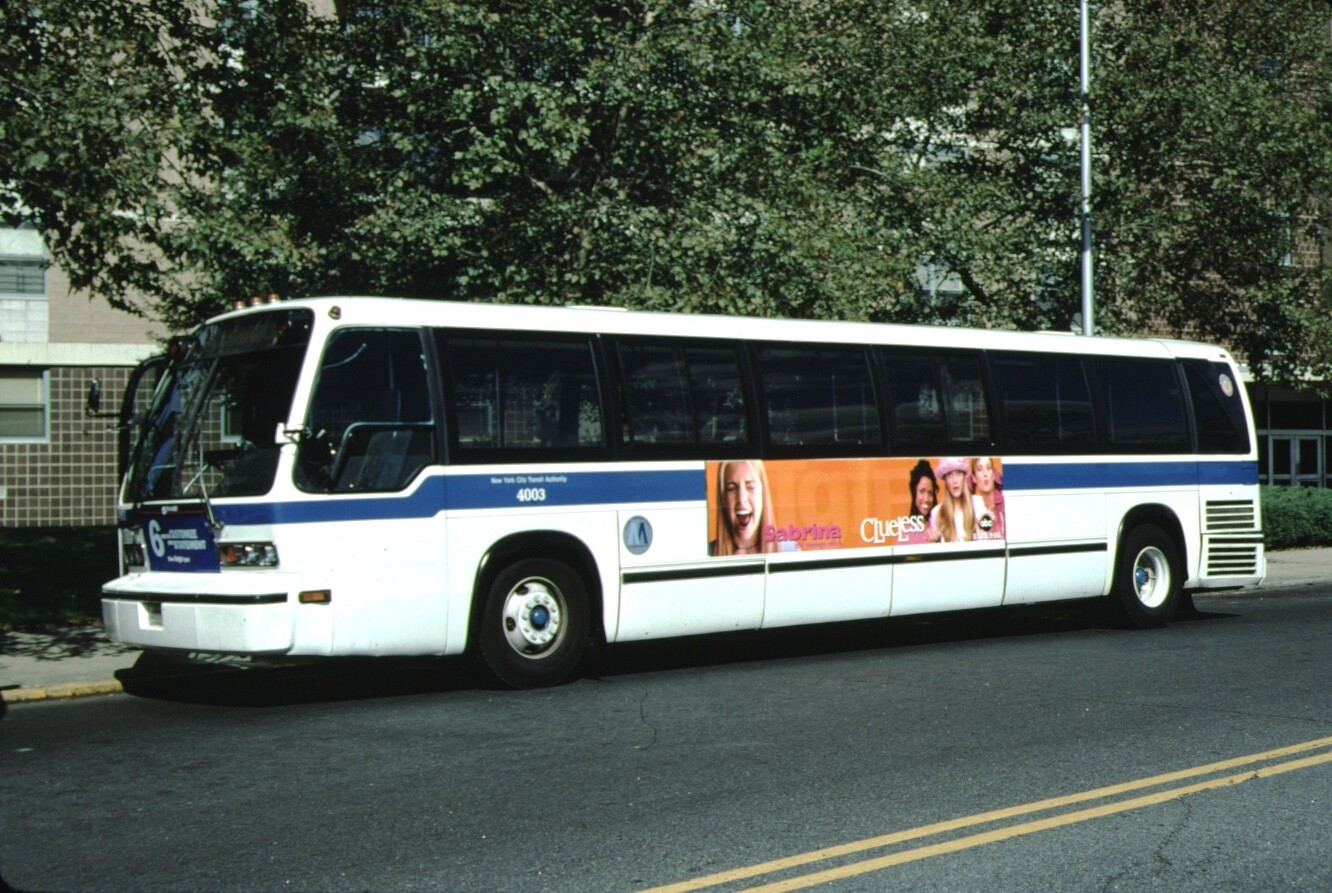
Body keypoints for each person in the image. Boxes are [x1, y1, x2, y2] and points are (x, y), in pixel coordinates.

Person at [711, 459, 788, 555]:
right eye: (732, 488)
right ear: (723, 499)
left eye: (750, 486)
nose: (741, 498)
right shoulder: (706, 552)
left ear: (762, 493)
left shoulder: (789, 550)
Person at [928, 457, 987, 543]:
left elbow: (987, 545)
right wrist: (935, 542)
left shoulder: (977, 504)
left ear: (964, 477)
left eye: (958, 474)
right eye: (950, 475)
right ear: (945, 480)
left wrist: (983, 528)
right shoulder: (937, 512)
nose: (955, 480)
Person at [970, 456, 1006, 540]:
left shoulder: (1005, 504)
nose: (985, 474)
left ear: (993, 474)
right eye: (979, 469)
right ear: (974, 478)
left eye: (988, 468)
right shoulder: (970, 508)